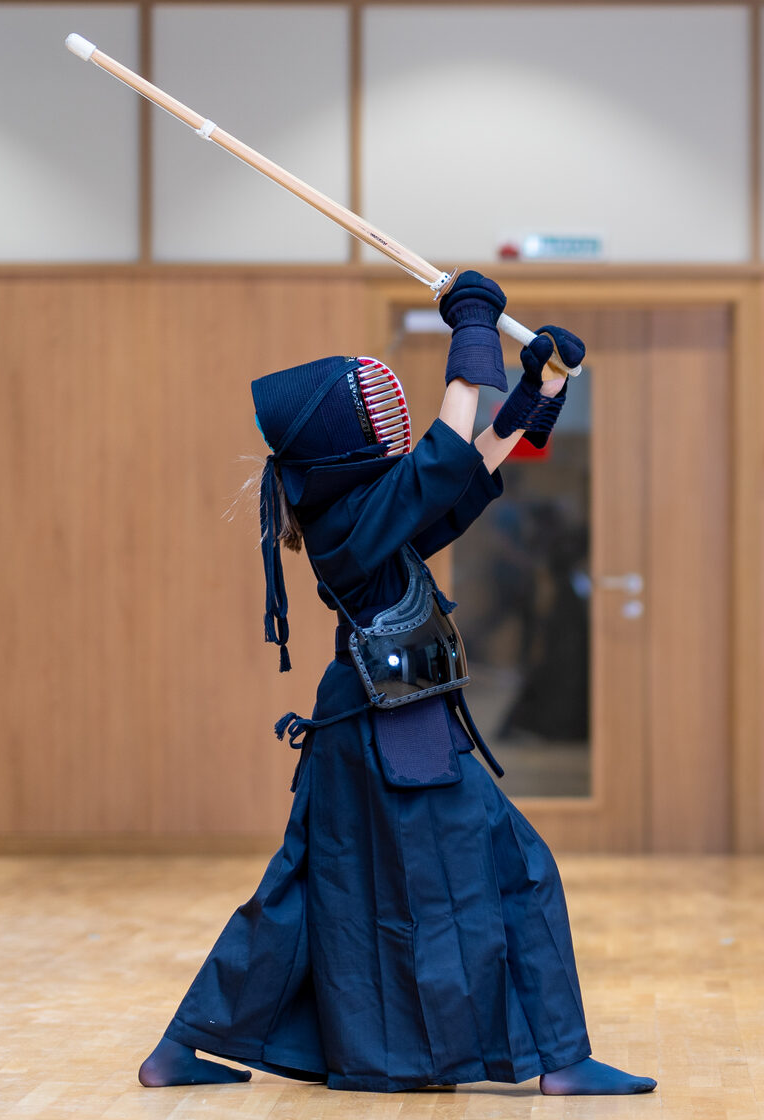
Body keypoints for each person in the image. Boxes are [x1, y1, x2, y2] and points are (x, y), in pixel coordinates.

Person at [137, 271, 656, 1096]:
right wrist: (472, 327)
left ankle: (180, 1047)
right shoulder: (349, 525)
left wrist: (539, 387)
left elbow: (467, 472)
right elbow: (443, 457)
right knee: (519, 867)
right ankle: (561, 1059)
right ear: (344, 440)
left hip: (373, 726)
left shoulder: (368, 516)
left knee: (307, 894)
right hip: (390, 730)